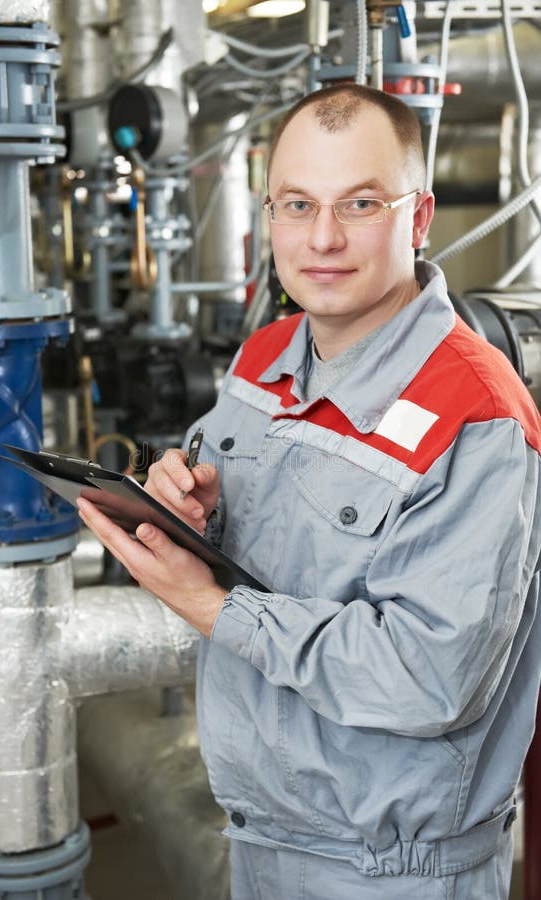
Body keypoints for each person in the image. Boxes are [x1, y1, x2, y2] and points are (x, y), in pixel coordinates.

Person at [77, 83, 541, 900]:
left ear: (418, 217)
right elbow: (261, 543)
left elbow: (427, 676)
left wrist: (213, 606)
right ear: (267, 211)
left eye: (359, 203)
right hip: (261, 835)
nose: (321, 239)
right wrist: (191, 512)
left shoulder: (476, 415)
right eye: (296, 205)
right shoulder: (265, 355)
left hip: (391, 873)